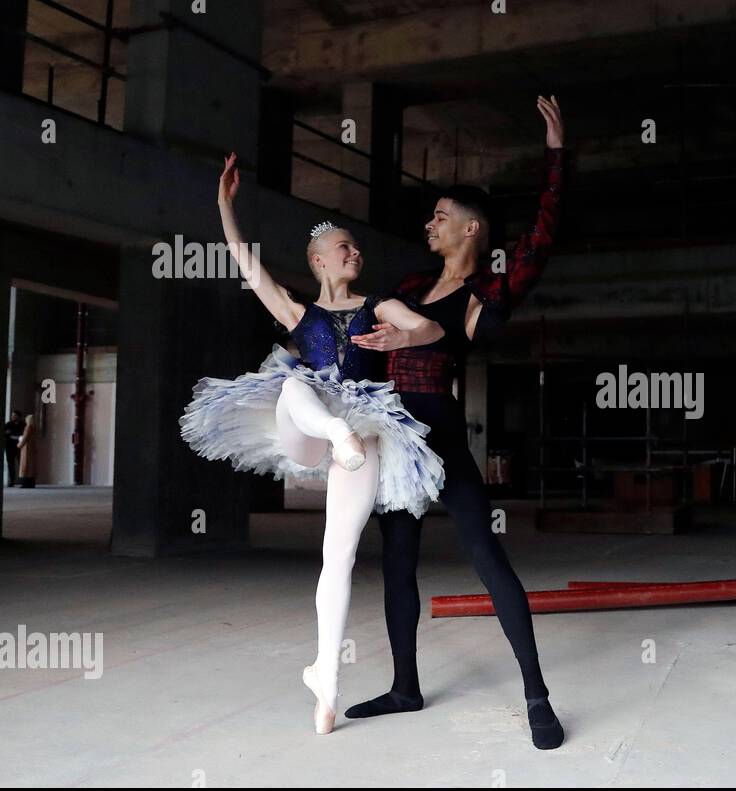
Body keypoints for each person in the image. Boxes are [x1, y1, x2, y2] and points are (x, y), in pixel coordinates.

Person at [180, 154, 449, 734]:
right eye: (345, 246)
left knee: (338, 556)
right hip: (311, 433)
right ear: (319, 260)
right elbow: (249, 268)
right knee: (294, 380)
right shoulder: (299, 314)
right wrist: (225, 205)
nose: (356, 253)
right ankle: (335, 431)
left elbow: (432, 328)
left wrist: (407, 332)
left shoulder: (379, 305)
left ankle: (325, 683)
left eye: (357, 247)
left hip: (367, 431)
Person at [346, 95, 567, 750]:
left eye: (442, 216)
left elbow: (544, 238)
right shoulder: (413, 282)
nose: (431, 223)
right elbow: (381, 332)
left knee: (486, 557)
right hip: (392, 428)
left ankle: (537, 694)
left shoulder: (485, 293)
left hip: (436, 428)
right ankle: (405, 686)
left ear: (472, 229)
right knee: (396, 563)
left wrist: (557, 157)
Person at [16, 414, 36, 488]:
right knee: (31, 466)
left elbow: (25, 438)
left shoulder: (28, 427)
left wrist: (19, 445)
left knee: (25, 465)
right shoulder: (34, 427)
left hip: (27, 448)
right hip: (32, 448)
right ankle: (31, 483)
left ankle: (26, 483)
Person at [4, 411, 23, 487]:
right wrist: (7, 433)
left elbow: (24, 434)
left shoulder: (23, 424)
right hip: (9, 447)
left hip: (19, 446)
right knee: (10, 464)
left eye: (14, 415)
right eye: (12, 415)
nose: (13, 417)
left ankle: (22, 480)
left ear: (18, 416)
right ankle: (12, 481)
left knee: (21, 463)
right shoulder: (8, 424)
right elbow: (4, 433)